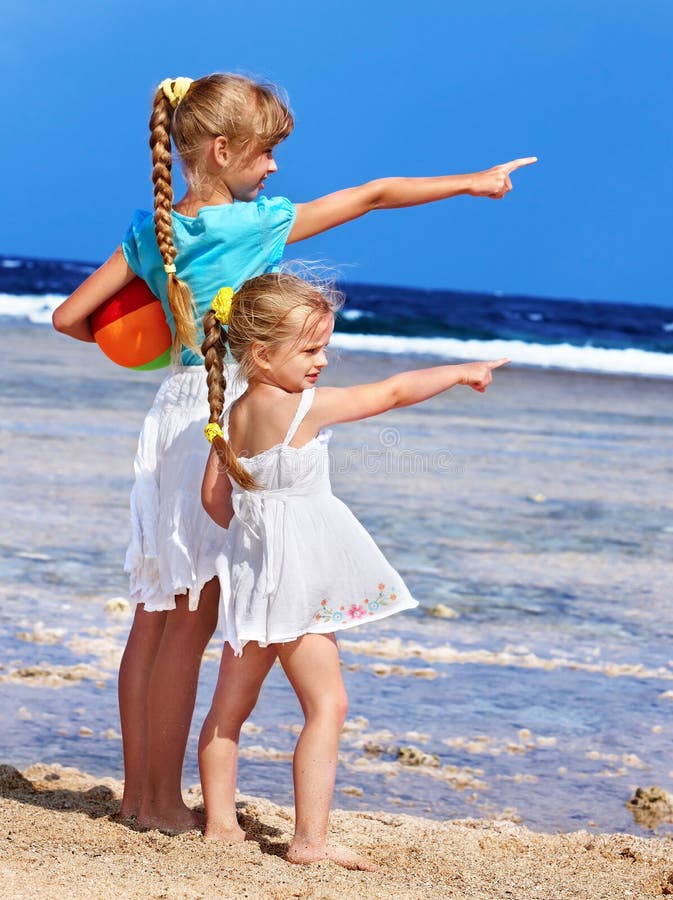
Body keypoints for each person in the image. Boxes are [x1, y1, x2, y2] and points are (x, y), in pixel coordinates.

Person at [51, 71, 534, 834]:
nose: (274, 168)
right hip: (225, 411)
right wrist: (474, 182)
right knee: (192, 618)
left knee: (153, 614)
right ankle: (164, 807)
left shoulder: (153, 232)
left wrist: (158, 348)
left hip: (172, 408)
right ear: (221, 149)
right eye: (266, 152)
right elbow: (374, 194)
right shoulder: (256, 226)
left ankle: (139, 799)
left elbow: (70, 319)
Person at [198, 272, 508, 868]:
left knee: (228, 711)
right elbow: (392, 393)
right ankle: (309, 842)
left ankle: (219, 827)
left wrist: (263, 511)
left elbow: (216, 507)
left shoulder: (229, 413)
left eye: (324, 348)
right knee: (328, 706)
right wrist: (461, 370)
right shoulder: (300, 410)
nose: (322, 361)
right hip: (299, 586)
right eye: (311, 349)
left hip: (253, 582)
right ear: (262, 353)